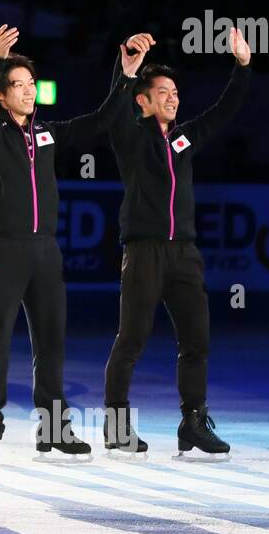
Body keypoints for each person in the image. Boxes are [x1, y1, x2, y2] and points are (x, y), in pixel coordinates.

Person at [0, 29, 149, 462]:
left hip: (46, 250)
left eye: (32, 85)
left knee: (51, 342)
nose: (28, 93)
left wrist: (123, 77)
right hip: (5, 247)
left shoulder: (45, 134)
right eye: (18, 86)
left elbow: (100, 121)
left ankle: (52, 430)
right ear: (0, 95)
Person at [102, 27, 253, 459]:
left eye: (174, 91)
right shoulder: (130, 137)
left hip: (185, 253)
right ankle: (116, 427)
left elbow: (225, 110)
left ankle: (193, 422)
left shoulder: (183, 141)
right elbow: (113, 112)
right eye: (162, 92)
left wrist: (242, 65)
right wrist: (125, 69)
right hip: (144, 251)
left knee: (196, 341)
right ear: (143, 100)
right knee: (130, 340)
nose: (172, 97)